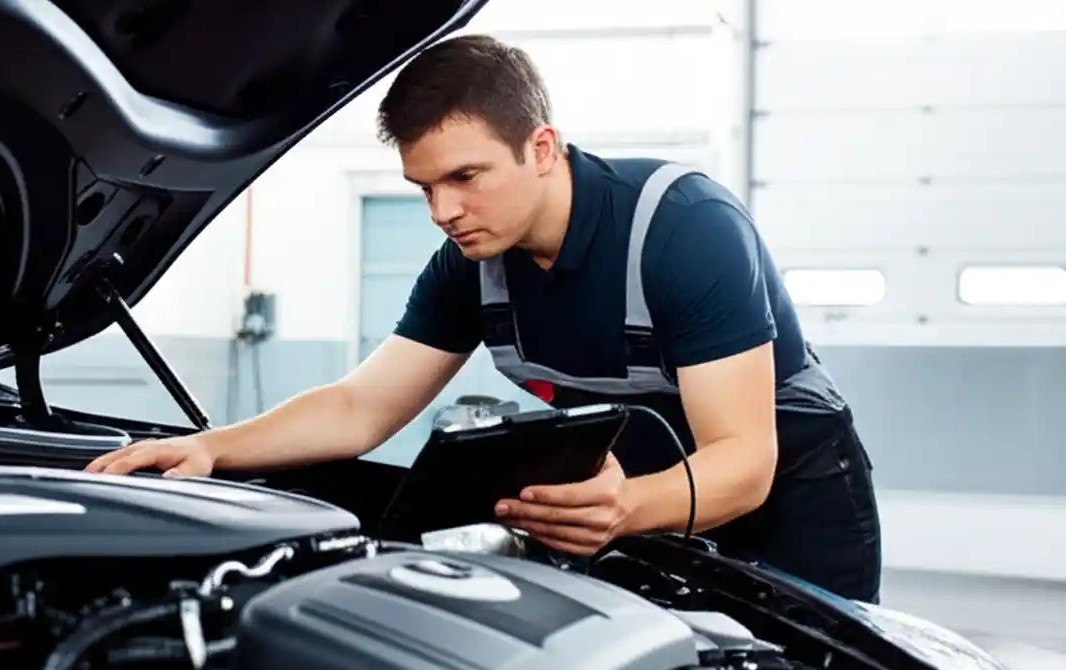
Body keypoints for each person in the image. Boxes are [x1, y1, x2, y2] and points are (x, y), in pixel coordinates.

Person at [85, 34, 882, 603]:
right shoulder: (471, 265)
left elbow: (744, 462)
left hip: (793, 503)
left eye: (465, 176)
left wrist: (624, 509)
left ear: (543, 148)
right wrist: (212, 448)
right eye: (425, 187)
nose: (443, 211)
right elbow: (360, 407)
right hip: (630, 502)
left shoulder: (682, 229)